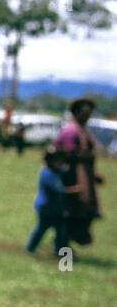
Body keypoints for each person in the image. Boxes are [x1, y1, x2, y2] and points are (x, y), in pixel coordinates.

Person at [53, 97, 104, 245]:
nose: (87, 116)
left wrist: (93, 174)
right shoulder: (70, 130)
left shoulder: (83, 131)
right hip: (73, 176)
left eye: (89, 113)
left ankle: (68, 242)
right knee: (73, 211)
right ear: (76, 113)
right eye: (84, 113)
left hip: (84, 175)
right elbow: (66, 153)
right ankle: (63, 248)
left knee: (83, 210)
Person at [25, 150, 73, 255]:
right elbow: (60, 189)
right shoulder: (47, 174)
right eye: (57, 160)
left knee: (61, 230)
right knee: (41, 228)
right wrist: (78, 189)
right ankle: (29, 248)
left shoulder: (57, 170)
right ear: (50, 161)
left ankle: (59, 250)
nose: (60, 162)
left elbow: (65, 170)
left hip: (56, 208)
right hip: (46, 208)